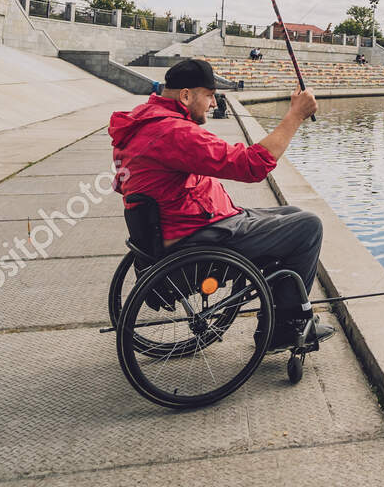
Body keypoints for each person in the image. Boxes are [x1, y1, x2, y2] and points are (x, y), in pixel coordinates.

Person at [109, 58, 330, 350]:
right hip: (197, 238)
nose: (214, 104)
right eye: (210, 96)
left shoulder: (143, 120)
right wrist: (295, 116)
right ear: (186, 95)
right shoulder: (175, 133)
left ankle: (277, 314)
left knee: (292, 214)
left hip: (177, 230)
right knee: (308, 227)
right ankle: (284, 330)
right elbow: (252, 165)